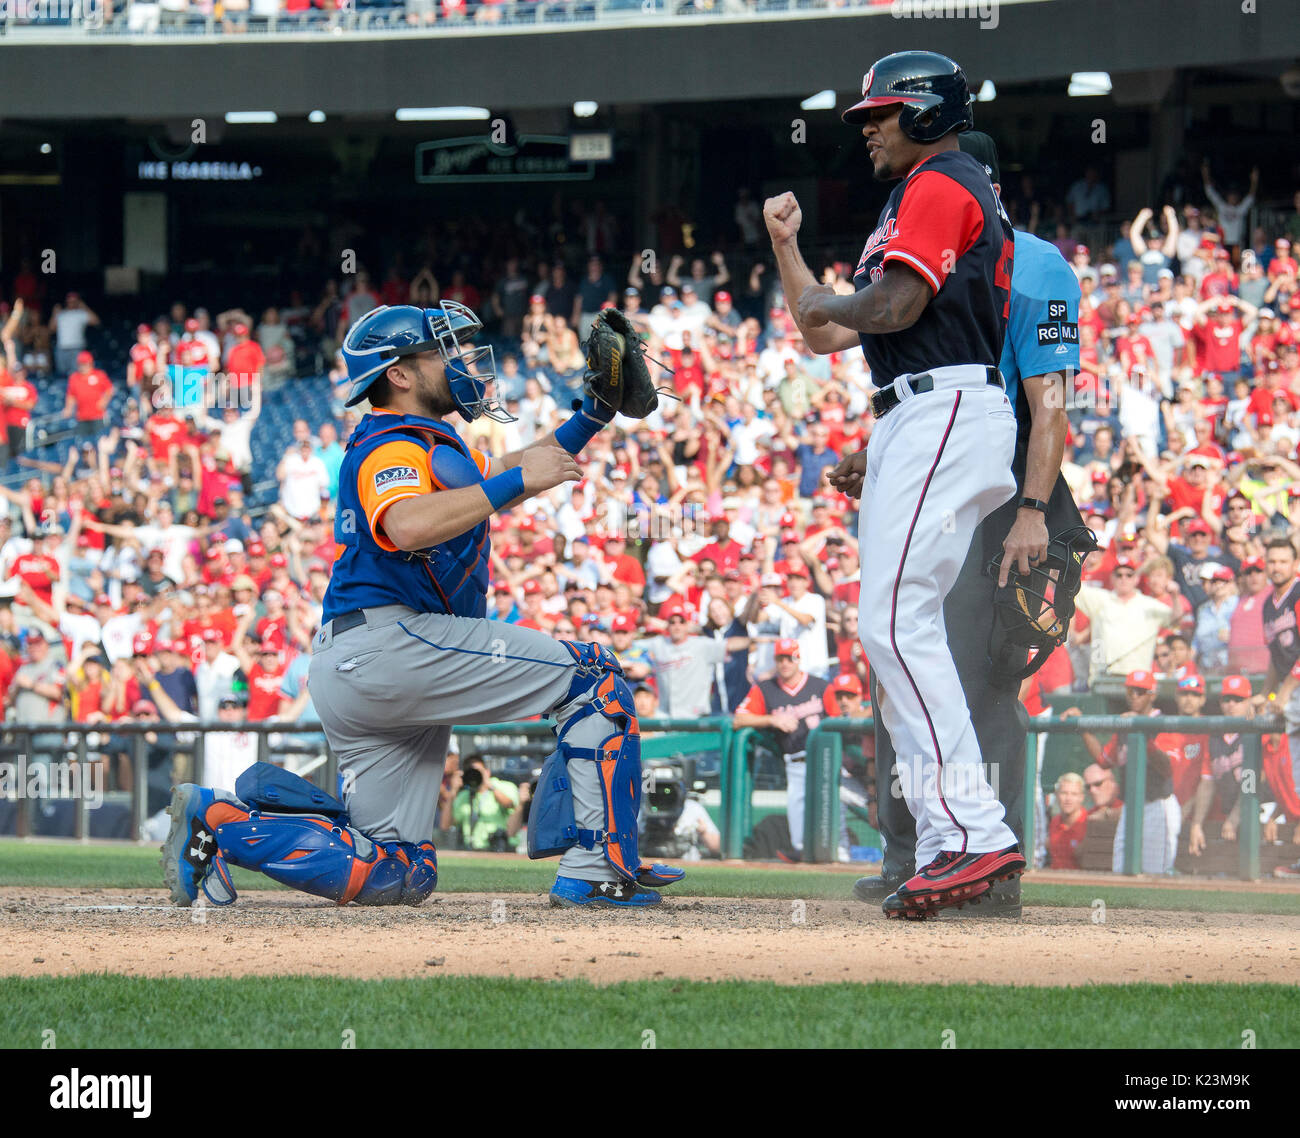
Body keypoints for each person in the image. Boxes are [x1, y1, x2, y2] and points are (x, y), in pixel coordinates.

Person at [162, 301, 684, 910]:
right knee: (593, 678)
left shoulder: (422, 444)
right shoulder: (392, 445)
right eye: (444, 350)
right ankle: (598, 868)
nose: (461, 361)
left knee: (396, 871)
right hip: (389, 643)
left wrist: (592, 415)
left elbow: (513, 467)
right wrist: (519, 482)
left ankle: (220, 823)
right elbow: (408, 525)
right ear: (401, 374)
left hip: (365, 663)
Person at [768, 54, 1024, 918]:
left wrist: (838, 303)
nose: (867, 126)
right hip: (917, 412)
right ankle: (954, 836)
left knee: (890, 620)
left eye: (879, 113)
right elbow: (825, 333)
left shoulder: (943, 180)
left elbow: (893, 311)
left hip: (945, 401)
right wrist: (786, 248)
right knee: (891, 632)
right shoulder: (906, 198)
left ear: (925, 113)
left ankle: (974, 831)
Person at [826, 130, 1083, 917]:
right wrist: (879, 454)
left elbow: (1050, 405)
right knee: (900, 650)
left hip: (1004, 484)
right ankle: (919, 850)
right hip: (940, 455)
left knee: (984, 672)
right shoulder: (931, 243)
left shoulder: (1038, 264)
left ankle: (986, 856)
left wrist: (1033, 511)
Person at [1069, 670, 1181, 874]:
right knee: (1120, 869)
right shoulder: (1125, 723)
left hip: (1158, 804)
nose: (1135, 696)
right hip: (1132, 807)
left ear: (1152, 695)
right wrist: (1083, 726)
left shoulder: (1162, 722)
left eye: (1141, 691)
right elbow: (1104, 760)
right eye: (1131, 692)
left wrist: (1141, 733)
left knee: (1155, 873)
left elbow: (1167, 767)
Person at [733, 640, 830, 859]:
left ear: (798, 659)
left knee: (835, 818)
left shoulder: (820, 686)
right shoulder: (766, 689)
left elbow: (839, 721)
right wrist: (771, 719)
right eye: (780, 659)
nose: (785, 663)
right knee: (799, 838)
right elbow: (739, 719)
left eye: (789, 658)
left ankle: (843, 862)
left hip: (828, 762)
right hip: (795, 761)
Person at [439, 754, 519, 851]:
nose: (475, 775)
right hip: (474, 850)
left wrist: (489, 785)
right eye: (471, 772)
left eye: (478, 771)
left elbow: (509, 804)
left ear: (487, 772)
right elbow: (445, 825)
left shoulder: (503, 786)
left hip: (501, 849)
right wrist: (452, 792)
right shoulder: (464, 796)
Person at [1047, 772, 1088, 869]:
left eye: (1074, 794)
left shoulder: (1089, 823)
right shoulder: (1054, 822)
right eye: (1064, 793)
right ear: (1057, 795)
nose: (1068, 799)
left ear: (1081, 797)